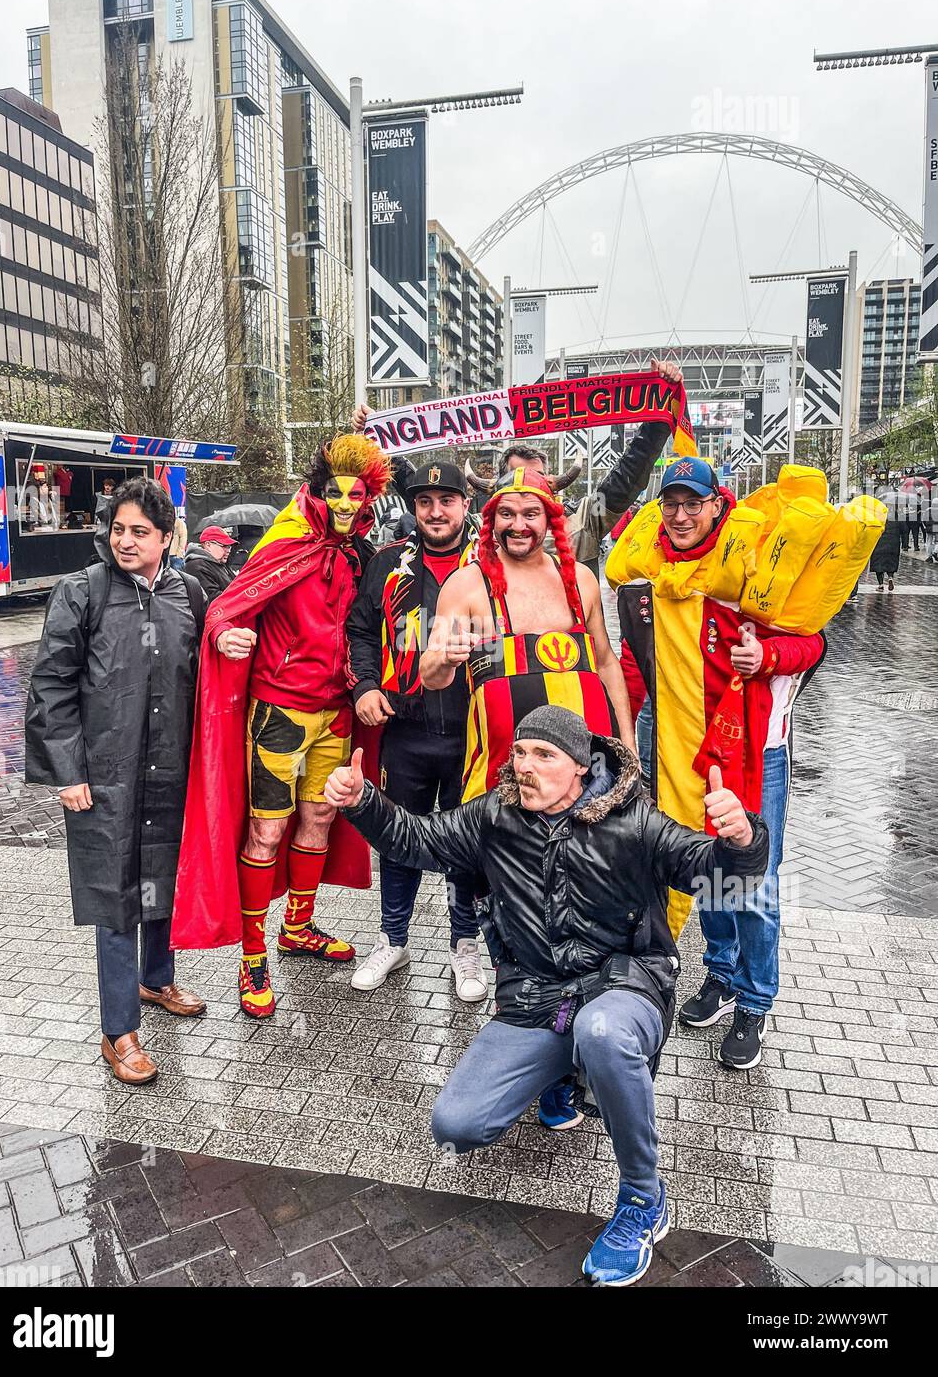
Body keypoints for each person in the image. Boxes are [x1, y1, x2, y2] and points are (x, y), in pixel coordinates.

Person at [324, 705, 768, 1287]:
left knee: (601, 1032)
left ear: (581, 768)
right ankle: (565, 1078)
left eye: (544, 755)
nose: (525, 766)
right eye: (520, 753)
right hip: (537, 998)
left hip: (624, 987)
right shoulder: (495, 817)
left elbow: (720, 879)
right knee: (457, 1124)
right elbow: (418, 841)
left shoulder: (636, 822)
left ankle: (642, 1198)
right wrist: (364, 803)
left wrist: (742, 842)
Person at [615, 458, 831, 1069]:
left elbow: (812, 641)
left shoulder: (757, 562)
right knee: (701, 864)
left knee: (753, 880)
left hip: (754, 750)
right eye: (671, 503)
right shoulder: (656, 569)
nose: (681, 515)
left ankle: (754, 1005)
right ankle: (720, 972)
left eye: (694, 502)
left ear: (718, 505)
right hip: (682, 743)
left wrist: (764, 654)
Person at [171, 434, 392, 1019]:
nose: (347, 505)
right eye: (338, 494)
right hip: (278, 712)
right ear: (320, 492)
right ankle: (252, 955)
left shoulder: (361, 555)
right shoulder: (287, 541)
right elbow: (226, 606)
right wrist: (224, 634)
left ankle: (296, 926)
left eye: (358, 495)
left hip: (336, 714)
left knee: (318, 819)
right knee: (266, 832)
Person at [25, 478, 208, 1085]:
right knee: (114, 891)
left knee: (161, 874)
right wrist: (69, 770)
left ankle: (157, 980)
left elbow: (206, 674)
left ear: (165, 537)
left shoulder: (189, 593)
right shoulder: (85, 593)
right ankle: (118, 1028)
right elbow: (52, 684)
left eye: (140, 532)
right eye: (119, 529)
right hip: (106, 774)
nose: (125, 541)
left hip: (170, 768)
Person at [347, 460, 486, 1001]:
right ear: (414, 507)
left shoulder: (488, 566)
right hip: (403, 729)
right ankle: (393, 938)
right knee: (396, 838)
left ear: (465, 505)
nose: (435, 511)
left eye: (446, 500)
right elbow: (359, 629)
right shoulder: (387, 564)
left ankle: (465, 944)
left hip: (472, 733)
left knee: (467, 844)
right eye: (425, 501)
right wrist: (363, 688)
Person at [420, 465, 636, 800]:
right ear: (492, 519)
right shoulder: (466, 585)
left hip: (588, 781)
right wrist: (446, 659)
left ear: (550, 518)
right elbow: (430, 675)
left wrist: (628, 748)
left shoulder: (581, 580)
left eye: (531, 514)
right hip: (500, 785)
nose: (518, 526)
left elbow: (607, 664)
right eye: (507, 513)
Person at [461, 359, 686, 576]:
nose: (527, 484)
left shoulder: (583, 520)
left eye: (537, 477)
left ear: (551, 483)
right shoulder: (478, 530)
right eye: (515, 476)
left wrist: (659, 409)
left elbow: (628, 474)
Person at [184, 525, 237, 602]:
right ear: (208, 545)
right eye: (224, 546)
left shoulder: (219, 562)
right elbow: (213, 598)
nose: (228, 550)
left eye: (229, 547)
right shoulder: (197, 566)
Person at [870, 491, 901, 591]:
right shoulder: (897, 516)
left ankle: (881, 585)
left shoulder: (878, 516)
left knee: (879, 563)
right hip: (893, 543)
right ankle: (890, 578)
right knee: (890, 562)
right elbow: (904, 529)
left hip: (880, 542)